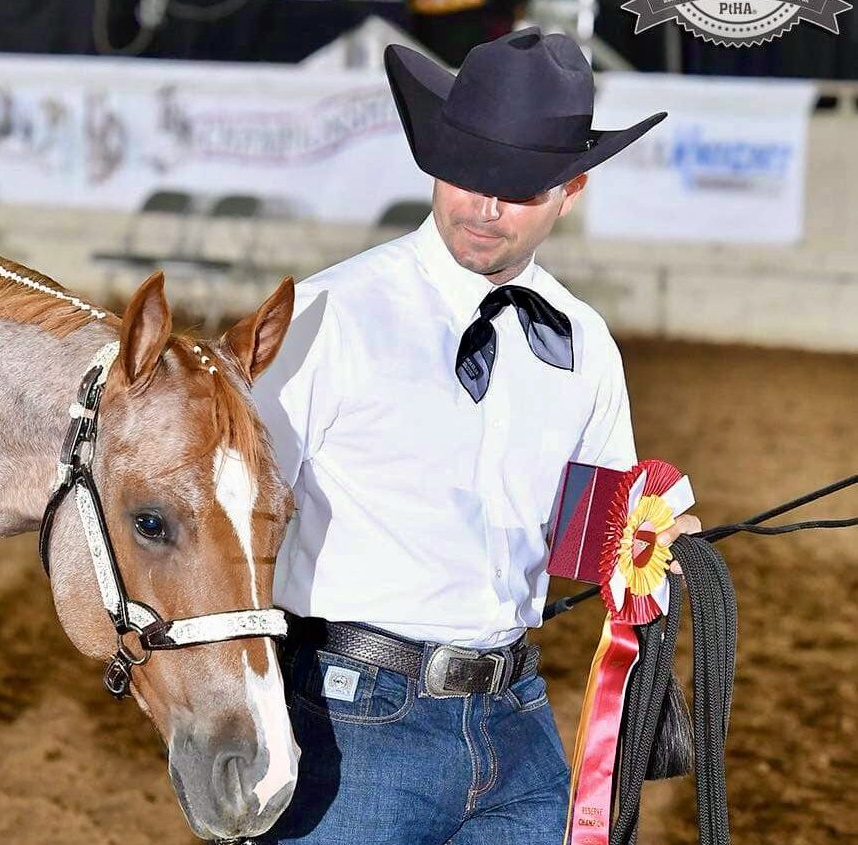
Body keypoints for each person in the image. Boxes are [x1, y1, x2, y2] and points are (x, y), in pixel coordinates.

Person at [251, 29, 701, 845]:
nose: (483, 208)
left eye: (519, 189)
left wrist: (653, 542)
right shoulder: (327, 316)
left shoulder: (587, 344)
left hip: (517, 721)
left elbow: (585, 539)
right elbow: (230, 519)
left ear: (574, 189)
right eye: (467, 175)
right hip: (348, 719)